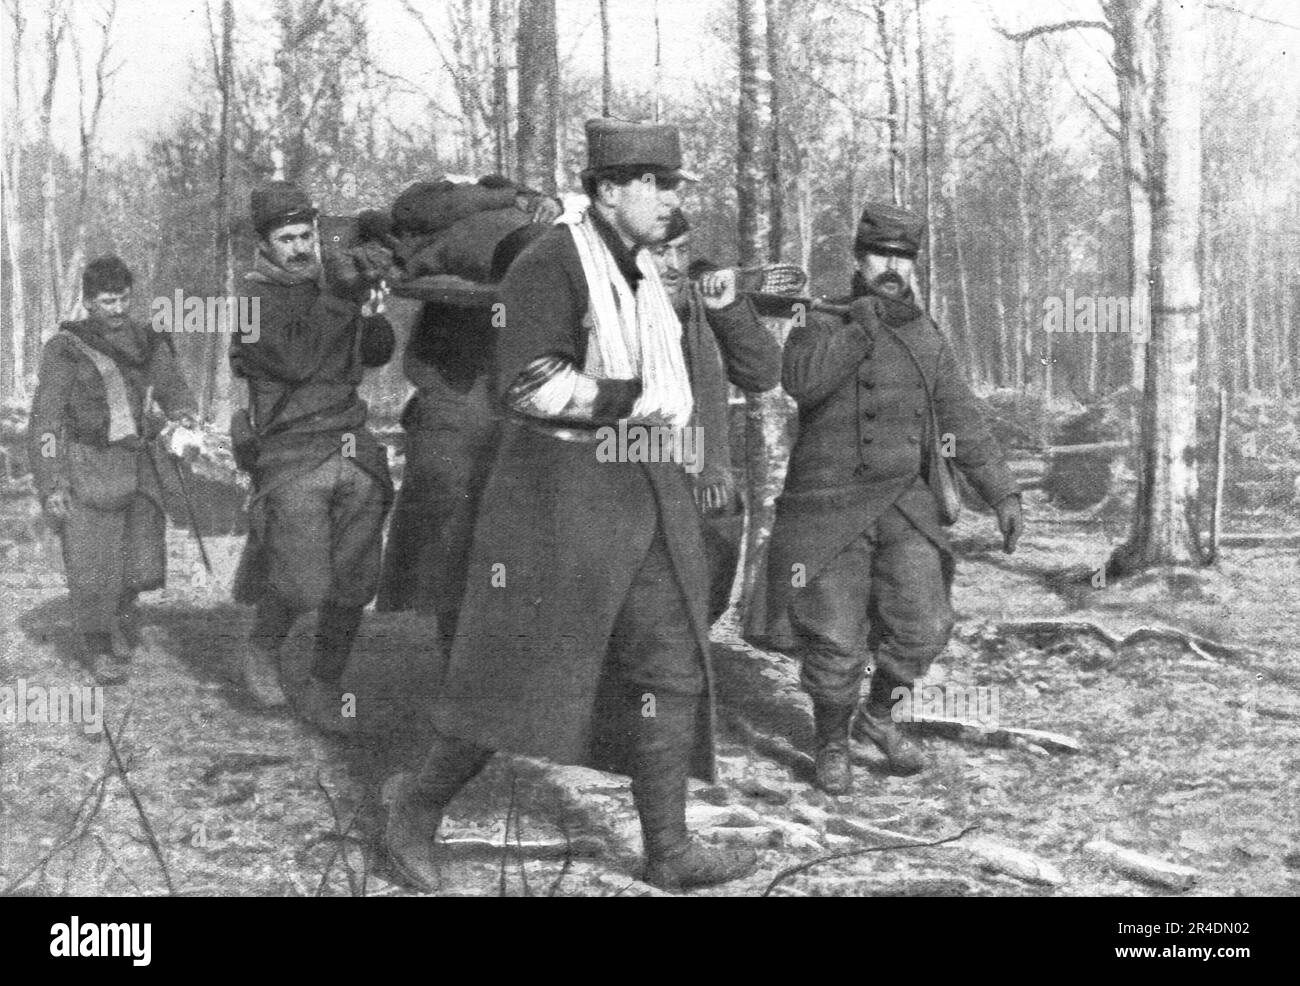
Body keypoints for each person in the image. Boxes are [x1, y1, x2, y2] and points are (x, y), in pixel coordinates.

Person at [384, 119, 760, 892]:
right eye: (652, 184)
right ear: (608, 190)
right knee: (512, 675)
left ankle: (668, 849)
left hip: (647, 490)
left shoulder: (651, 274)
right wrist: (632, 398)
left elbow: (708, 379)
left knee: (673, 665)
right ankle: (412, 813)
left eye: (671, 184)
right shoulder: (552, 262)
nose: (666, 199)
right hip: (557, 493)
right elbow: (530, 380)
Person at [764, 202, 1023, 795]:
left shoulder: (926, 335)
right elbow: (801, 383)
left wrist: (1001, 490)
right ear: (858, 257)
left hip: (906, 504)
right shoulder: (821, 319)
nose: (892, 267)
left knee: (925, 626)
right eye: (881, 254)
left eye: (904, 258)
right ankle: (830, 743)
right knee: (834, 640)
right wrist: (859, 327)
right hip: (829, 508)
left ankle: (876, 718)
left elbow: (961, 416)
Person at [229, 181, 395, 730]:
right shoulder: (252, 299)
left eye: (307, 236)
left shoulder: (331, 285)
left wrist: (371, 310)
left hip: (349, 439)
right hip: (290, 448)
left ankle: (326, 683)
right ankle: (263, 647)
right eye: (287, 239)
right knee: (302, 585)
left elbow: (376, 354)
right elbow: (296, 359)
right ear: (265, 243)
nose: (300, 248)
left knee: (354, 581)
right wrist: (341, 297)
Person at [28, 255, 201, 684]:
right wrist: (52, 481)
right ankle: (98, 645)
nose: (119, 309)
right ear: (88, 303)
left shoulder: (147, 340)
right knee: (92, 564)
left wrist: (182, 413)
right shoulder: (66, 349)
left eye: (124, 299)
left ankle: (122, 617)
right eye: (108, 301)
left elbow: (172, 385)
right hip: (90, 465)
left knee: (140, 557)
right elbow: (46, 421)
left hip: (139, 464)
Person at [647, 208, 781, 623]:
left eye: (681, 251)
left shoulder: (702, 306)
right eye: (659, 252)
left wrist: (729, 310)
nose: (672, 265)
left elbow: (761, 373)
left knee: (701, 613)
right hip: (641, 490)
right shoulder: (616, 306)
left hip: (709, 495)